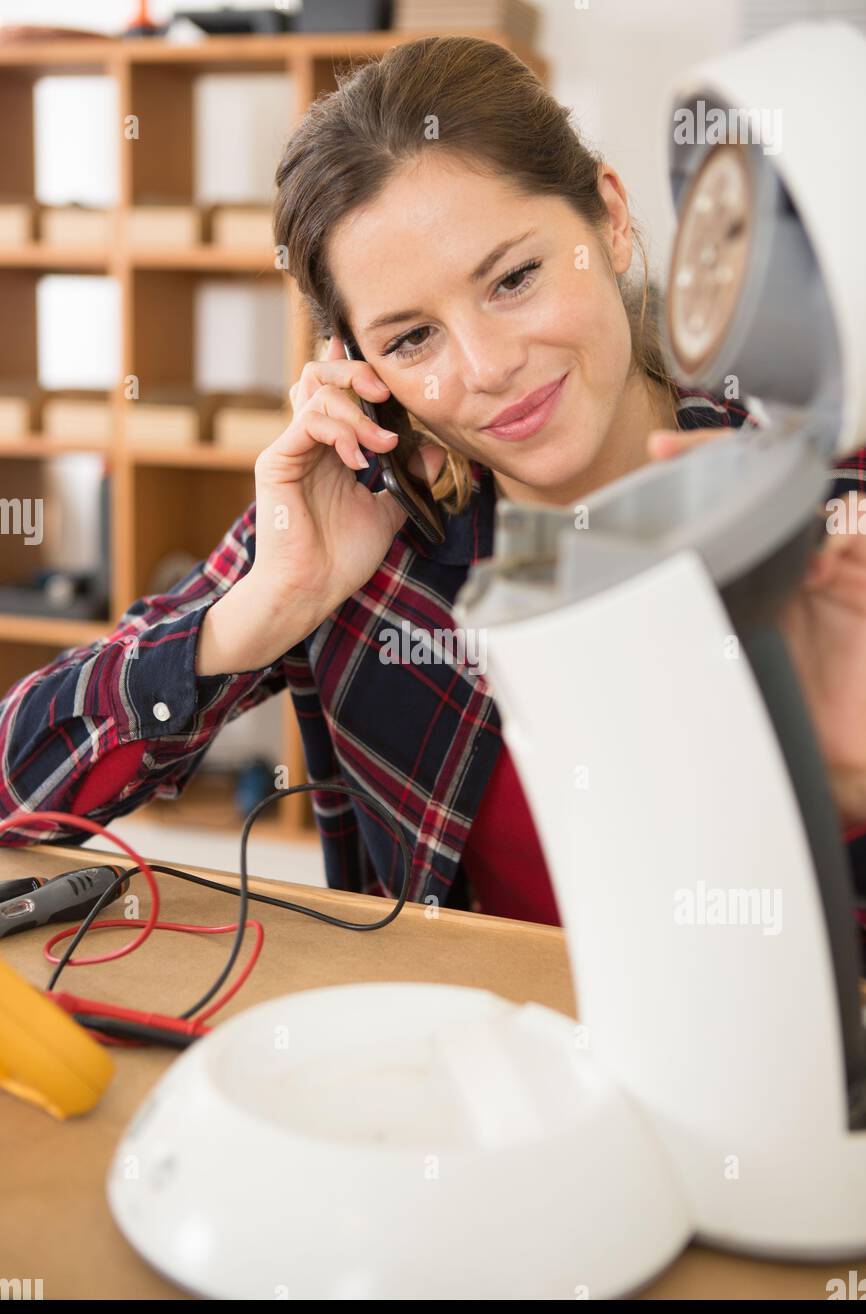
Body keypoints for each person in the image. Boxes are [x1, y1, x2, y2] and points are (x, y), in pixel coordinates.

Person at [1, 35, 864, 927]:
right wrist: (262, 609)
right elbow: (12, 785)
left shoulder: (827, 504)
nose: (487, 368)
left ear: (609, 218)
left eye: (515, 278)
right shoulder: (362, 527)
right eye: (412, 339)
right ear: (358, 367)